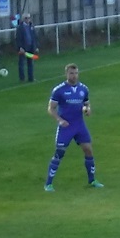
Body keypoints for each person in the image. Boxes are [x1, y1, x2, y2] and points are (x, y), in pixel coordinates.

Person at [44, 63, 103, 191]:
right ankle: (48, 184)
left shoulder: (83, 89)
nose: (74, 76)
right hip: (66, 126)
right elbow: (51, 108)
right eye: (71, 73)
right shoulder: (59, 90)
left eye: (76, 73)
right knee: (59, 153)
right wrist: (59, 120)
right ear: (66, 74)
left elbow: (86, 104)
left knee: (88, 150)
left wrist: (87, 110)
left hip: (79, 125)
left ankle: (92, 180)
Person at [16, 11, 40, 82]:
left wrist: (36, 46)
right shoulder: (20, 27)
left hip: (31, 48)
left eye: (29, 18)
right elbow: (18, 38)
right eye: (26, 18)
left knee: (30, 63)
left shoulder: (31, 26)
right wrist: (20, 47)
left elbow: (34, 37)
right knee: (21, 63)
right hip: (23, 48)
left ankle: (31, 78)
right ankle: (22, 78)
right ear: (23, 19)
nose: (28, 19)